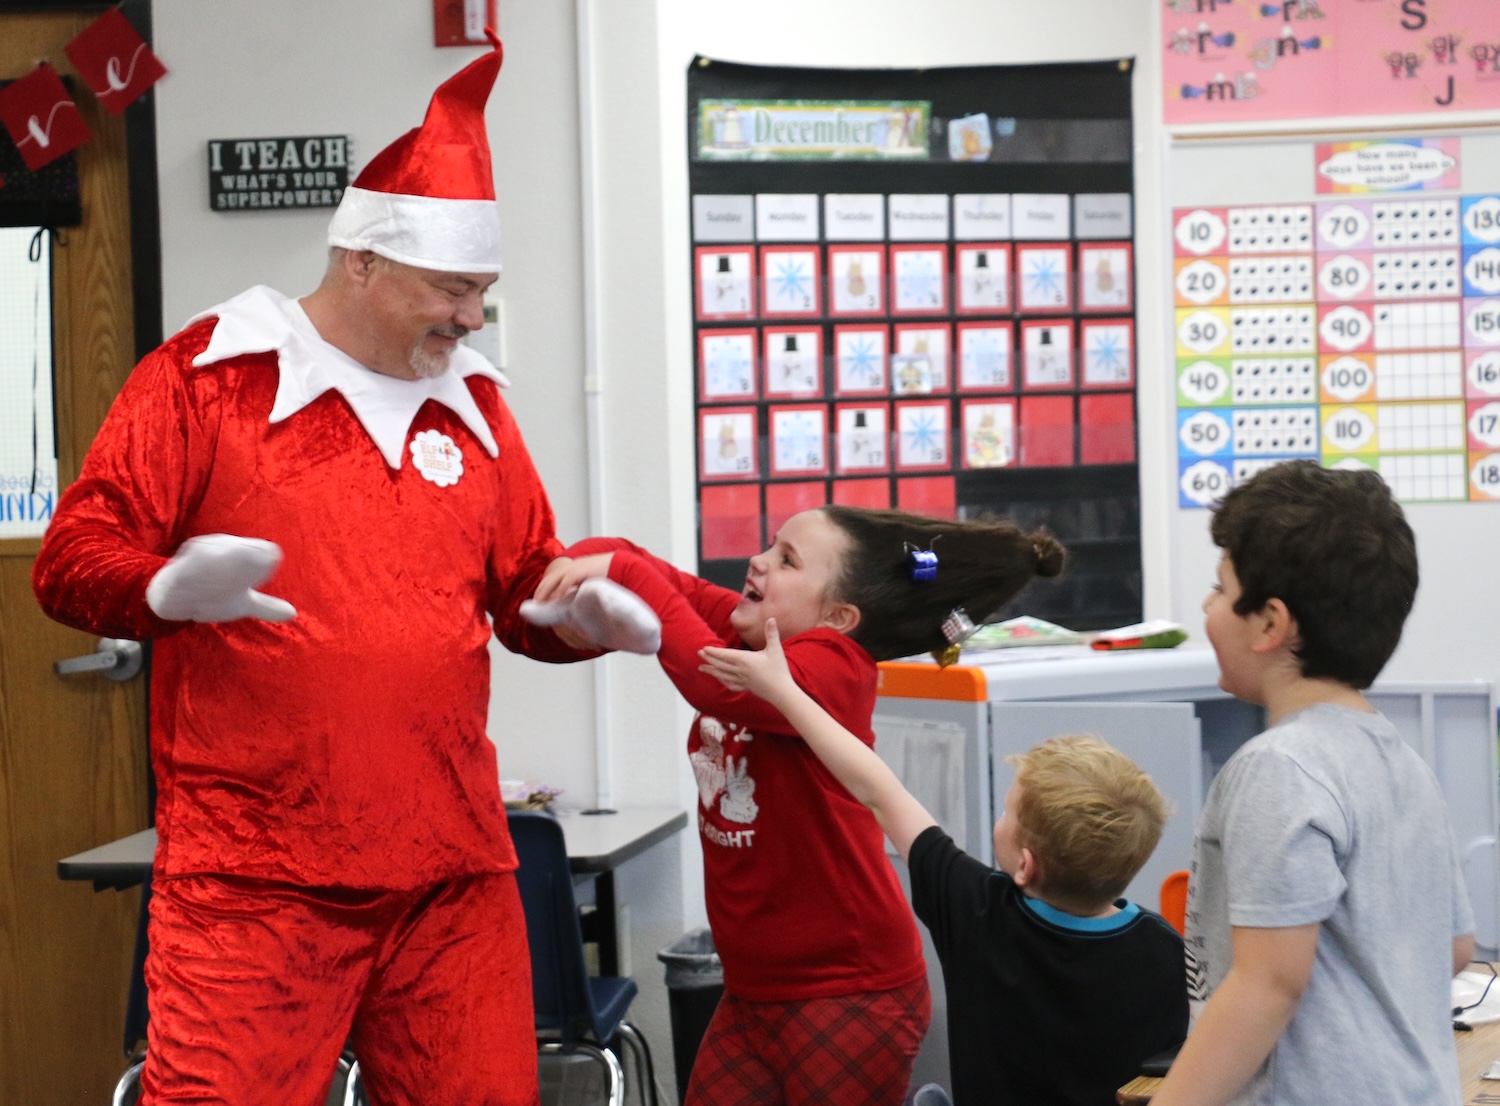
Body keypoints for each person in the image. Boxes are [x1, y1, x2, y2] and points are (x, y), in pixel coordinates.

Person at [30, 37, 636, 1106]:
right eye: (452, 288)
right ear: (363, 261)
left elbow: (523, 591)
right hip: (254, 873)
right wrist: (161, 590)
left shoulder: (477, 405)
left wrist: (585, 614)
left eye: (482, 291)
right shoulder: (207, 378)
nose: (470, 316)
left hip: (449, 867)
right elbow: (76, 555)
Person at [532, 506, 1065, 1105]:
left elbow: (710, 682)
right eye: (770, 545)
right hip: (754, 990)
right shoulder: (749, 634)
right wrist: (577, 559)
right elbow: (668, 584)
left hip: (848, 990)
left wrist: (624, 569)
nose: (758, 560)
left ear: (839, 618)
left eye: (787, 560)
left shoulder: (834, 669)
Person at [699, 619, 1188, 1106]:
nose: (1001, 816)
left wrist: (783, 691)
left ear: (1025, 865)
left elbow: (877, 789)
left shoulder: (977, 911)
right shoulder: (1164, 951)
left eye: (1007, 812)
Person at [1150, 461, 1476, 1106]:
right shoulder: (1400, 760)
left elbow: (1267, 985)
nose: (1207, 607)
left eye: (1219, 589)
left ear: (1271, 624)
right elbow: (1454, 947)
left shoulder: (1278, 768)